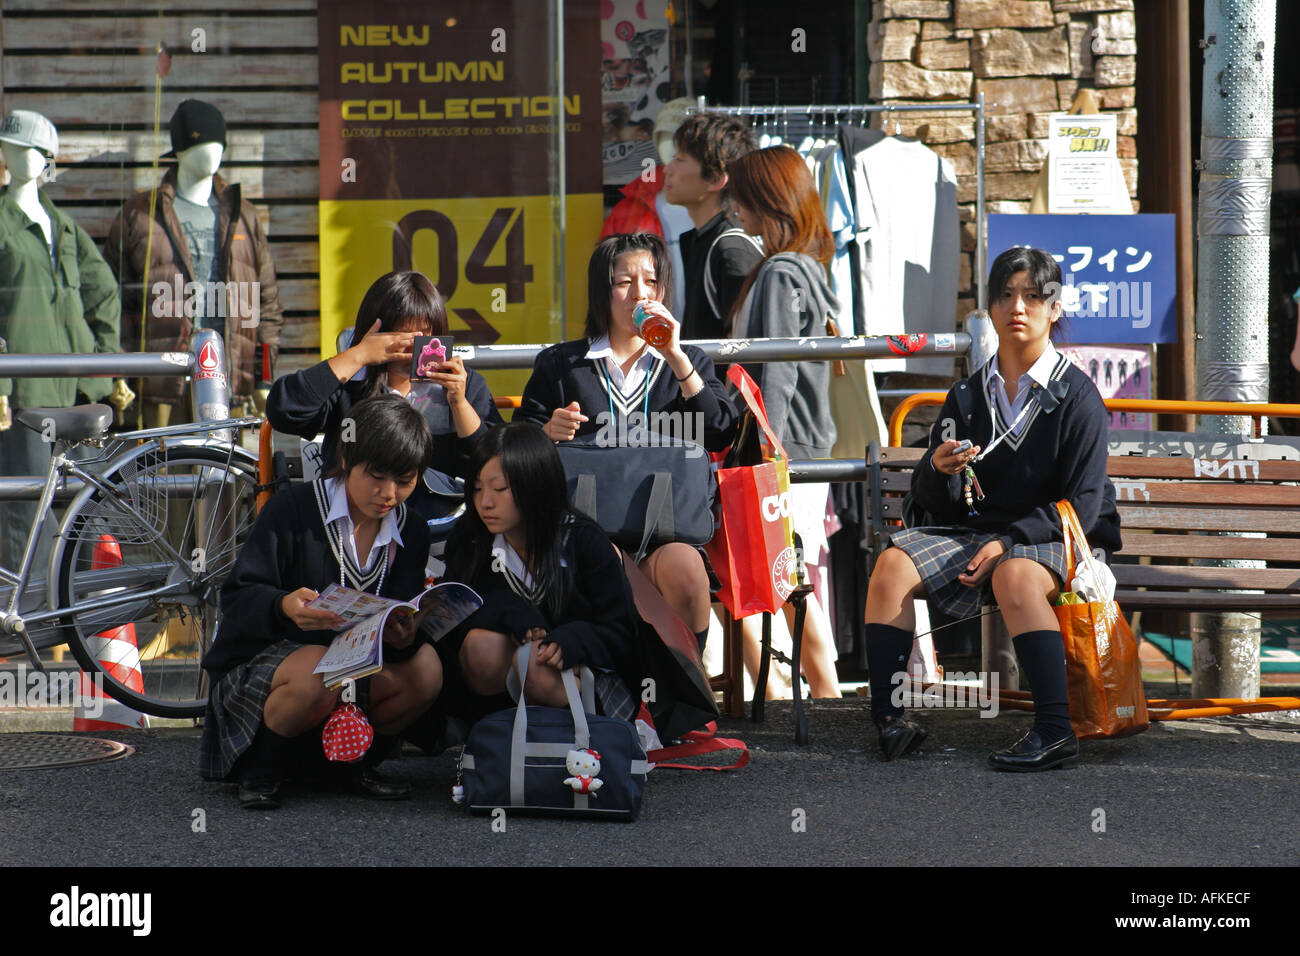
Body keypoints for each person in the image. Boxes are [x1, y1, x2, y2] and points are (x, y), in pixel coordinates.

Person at [863, 246, 1121, 771]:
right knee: (891, 565)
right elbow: (929, 505)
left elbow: (1086, 504)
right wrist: (937, 469)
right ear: (990, 308)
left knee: (1015, 577)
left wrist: (1010, 540)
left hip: (1054, 536)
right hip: (979, 535)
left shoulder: (1077, 396)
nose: (1017, 307)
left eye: (1032, 295)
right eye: (1005, 295)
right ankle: (891, 720)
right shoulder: (967, 395)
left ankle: (1054, 730)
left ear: (1055, 307)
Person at [199, 395, 442, 808]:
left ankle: (353, 764)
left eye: (404, 481)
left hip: (356, 668)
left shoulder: (411, 529)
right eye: (376, 476)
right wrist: (282, 605)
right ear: (346, 458)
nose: (388, 494)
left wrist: (404, 633)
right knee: (317, 670)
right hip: (280, 668)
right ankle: (262, 768)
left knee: (427, 670)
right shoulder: (292, 509)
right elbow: (237, 597)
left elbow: (398, 610)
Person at [517, 232, 737, 653]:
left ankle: (682, 692)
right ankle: (621, 692)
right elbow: (514, 450)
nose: (640, 294)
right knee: (599, 566)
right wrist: (545, 433)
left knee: (687, 569)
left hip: (666, 531)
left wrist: (675, 356)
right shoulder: (563, 365)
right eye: (624, 282)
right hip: (579, 531)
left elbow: (719, 431)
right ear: (602, 291)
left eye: (652, 282)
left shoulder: (687, 361)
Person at [727, 144, 842, 699]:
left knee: (774, 578)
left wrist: (764, 451)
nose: (736, 211)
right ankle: (816, 692)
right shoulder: (813, 268)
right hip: (804, 446)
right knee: (787, 577)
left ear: (766, 201)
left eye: (743, 198)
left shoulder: (778, 273)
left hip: (781, 449)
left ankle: (814, 693)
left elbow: (777, 369)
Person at [440, 422, 643, 719]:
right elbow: (451, 620)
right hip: (508, 687)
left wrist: (576, 639)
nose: (485, 502)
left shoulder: (583, 540)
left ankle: (575, 749)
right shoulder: (470, 537)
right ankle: (501, 735)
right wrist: (504, 609)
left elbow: (623, 634)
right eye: (476, 489)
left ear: (535, 484)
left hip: (586, 682)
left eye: (499, 489)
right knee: (479, 647)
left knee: (535, 666)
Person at [267, 271, 502, 518]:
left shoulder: (460, 384)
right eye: (403, 335)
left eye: (425, 333)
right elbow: (284, 410)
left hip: (439, 521)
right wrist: (357, 356)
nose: (415, 345)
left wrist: (459, 403)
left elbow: (492, 464)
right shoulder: (351, 382)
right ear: (376, 332)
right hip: (352, 518)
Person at [663, 111, 763, 341]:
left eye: (680, 159)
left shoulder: (732, 250)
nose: (668, 168)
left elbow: (744, 348)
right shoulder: (704, 240)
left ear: (716, 179)